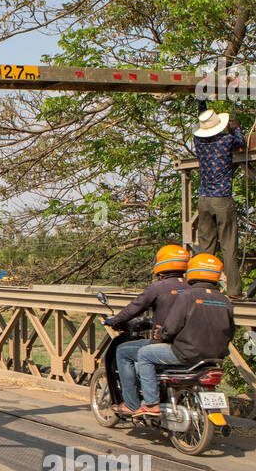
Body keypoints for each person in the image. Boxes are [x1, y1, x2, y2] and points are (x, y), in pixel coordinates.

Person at [132, 253, 236, 417]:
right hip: (215, 357)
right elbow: (230, 332)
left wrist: (160, 333)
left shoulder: (187, 296)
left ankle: (151, 404)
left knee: (144, 354)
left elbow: (171, 328)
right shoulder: (224, 300)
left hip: (186, 353)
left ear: (193, 271)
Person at [105, 244, 191, 414]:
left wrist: (115, 320)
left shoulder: (158, 287)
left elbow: (135, 307)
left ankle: (131, 404)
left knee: (123, 352)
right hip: (191, 344)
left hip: (166, 343)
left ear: (161, 263)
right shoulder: (193, 287)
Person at [193, 108, 245, 297]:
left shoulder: (198, 142)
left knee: (206, 247)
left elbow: (201, 110)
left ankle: (202, 287)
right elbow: (242, 143)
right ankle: (234, 290)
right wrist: (236, 128)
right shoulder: (227, 140)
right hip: (222, 198)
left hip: (204, 199)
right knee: (228, 245)